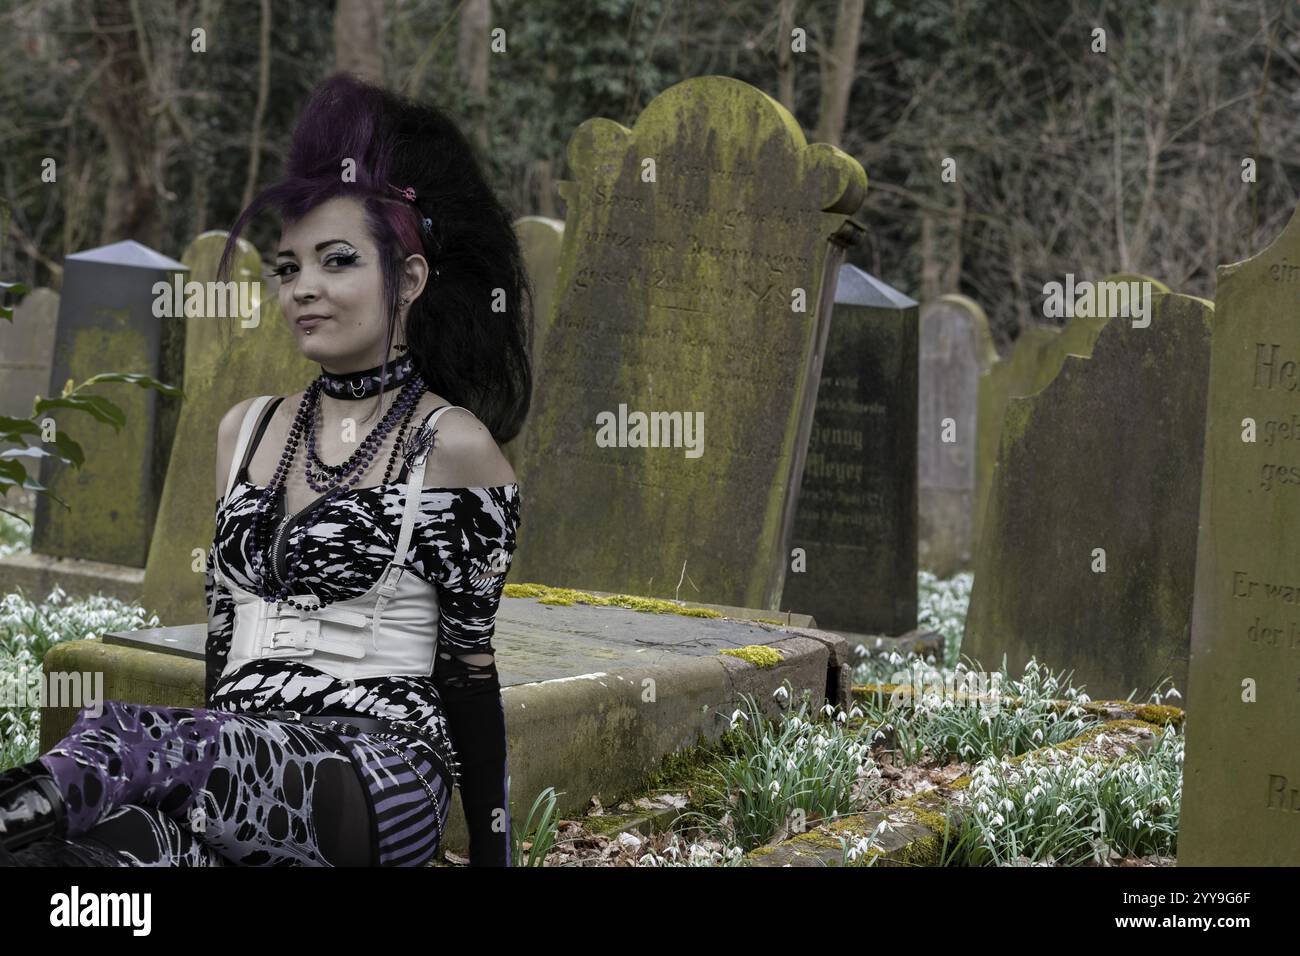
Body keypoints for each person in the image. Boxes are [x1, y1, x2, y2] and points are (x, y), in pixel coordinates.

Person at [0, 72, 532, 867]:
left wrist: (494, 851)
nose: (303, 289)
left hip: (375, 777)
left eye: (337, 260)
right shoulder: (245, 432)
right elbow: (224, 638)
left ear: (410, 280)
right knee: (80, 866)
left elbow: (467, 669)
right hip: (240, 766)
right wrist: (201, 810)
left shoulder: (455, 450)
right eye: (288, 268)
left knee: (122, 734)